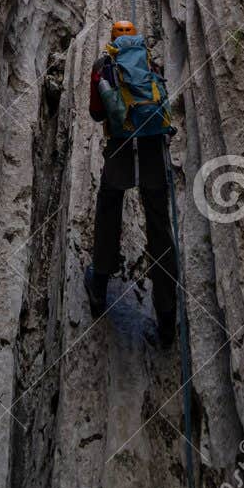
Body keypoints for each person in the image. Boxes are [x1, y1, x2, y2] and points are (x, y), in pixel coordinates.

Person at [84, 20, 179, 349]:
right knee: (160, 228)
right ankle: (167, 322)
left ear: (112, 39)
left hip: (122, 152)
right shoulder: (149, 63)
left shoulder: (103, 66)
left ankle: (99, 286)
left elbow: (97, 114)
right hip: (153, 154)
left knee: (109, 208)